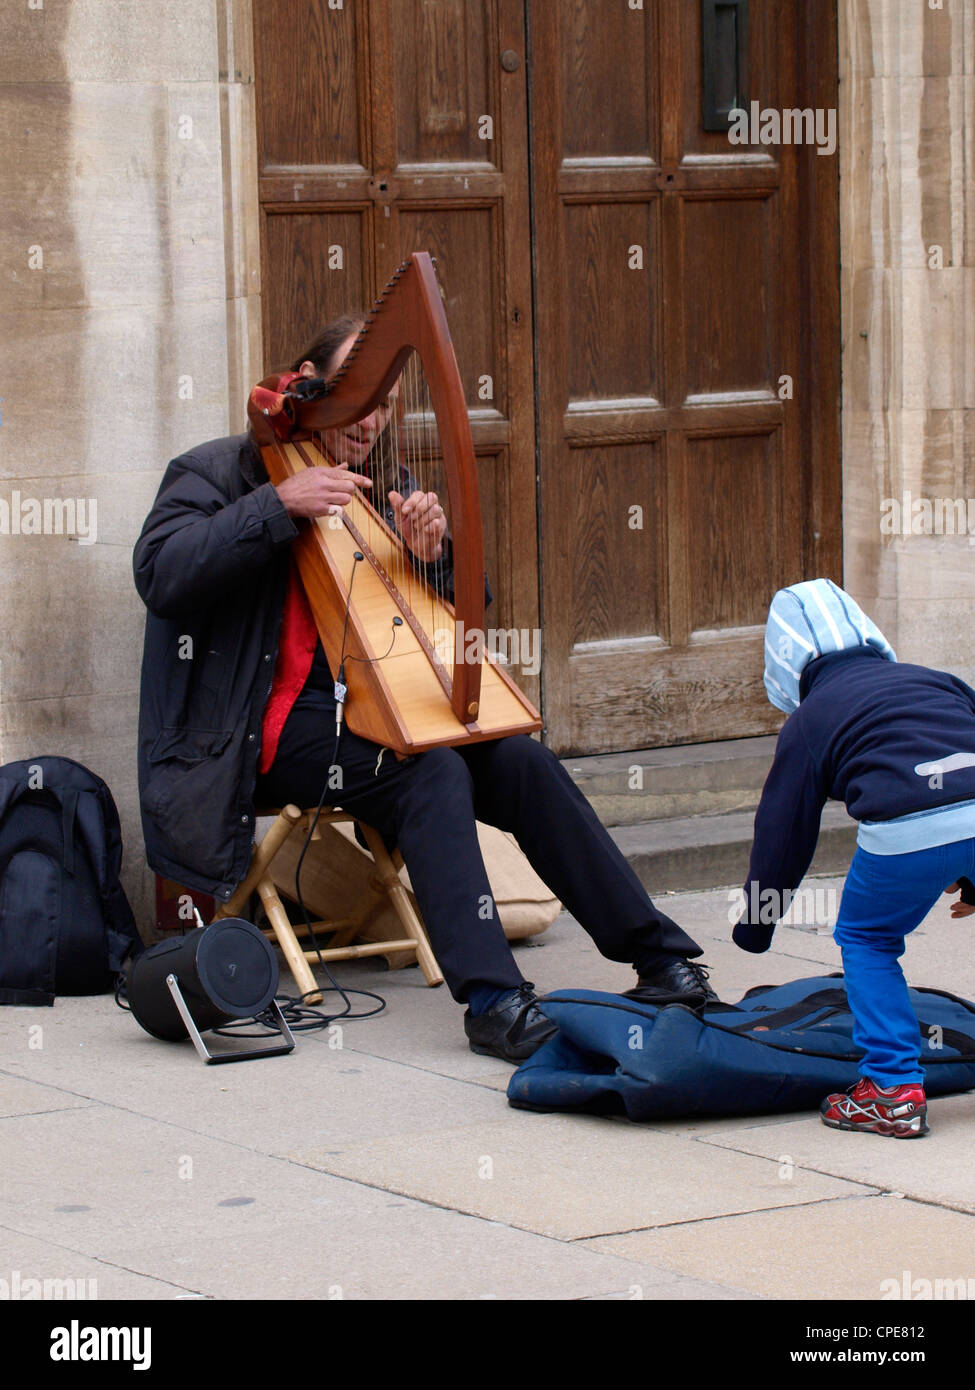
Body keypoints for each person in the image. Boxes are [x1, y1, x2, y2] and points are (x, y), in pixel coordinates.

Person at [134, 315, 717, 1063]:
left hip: (373, 714)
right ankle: (494, 1000)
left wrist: (435, 558)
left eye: (385, 404)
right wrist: (275, 507)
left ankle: (660, 961)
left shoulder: (386, 486)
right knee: (429, 769)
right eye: (359, 398)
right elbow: (161, 575)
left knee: (519, 762)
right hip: (258, 735)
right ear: (309, 389)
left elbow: (458, 615)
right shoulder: (215, 473)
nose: (373, 420)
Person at [732, 577, 975, 1137]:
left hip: (904, 825)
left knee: (868, 939)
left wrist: (755, 926)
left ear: (785, 666)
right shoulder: (938, 680)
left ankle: (891, 1092)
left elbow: (783, 834)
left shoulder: (809, 721)